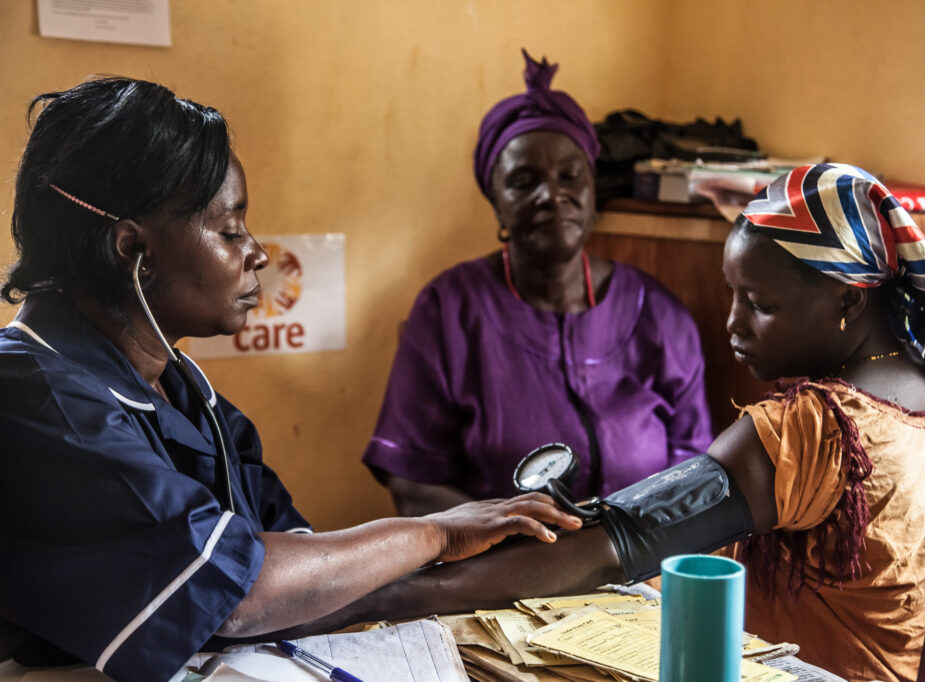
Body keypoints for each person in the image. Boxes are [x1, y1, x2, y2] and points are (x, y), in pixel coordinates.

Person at [0, 78, 584, 682]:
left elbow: (297, 556)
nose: (256, 252)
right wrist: (434, 534)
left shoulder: (179, 391)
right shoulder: (34, 396)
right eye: (229, 231)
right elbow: (243, 589)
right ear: (131, 249)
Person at [334, 164, 925, 682]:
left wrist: (369, 600)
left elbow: (605, 548)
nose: (732, 324)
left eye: (758, 304)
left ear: (847, 296)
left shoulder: (812, 428)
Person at [362, 50, 714, 515]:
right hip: (502, 573)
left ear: (592, 190)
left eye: (571, 176)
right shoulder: (449, 310)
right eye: (524, 181)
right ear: (497, 205)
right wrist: (515, 540)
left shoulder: (659, 314)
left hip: (641, 572)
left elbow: (697, 475)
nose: (553, 195)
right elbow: (412, 486)